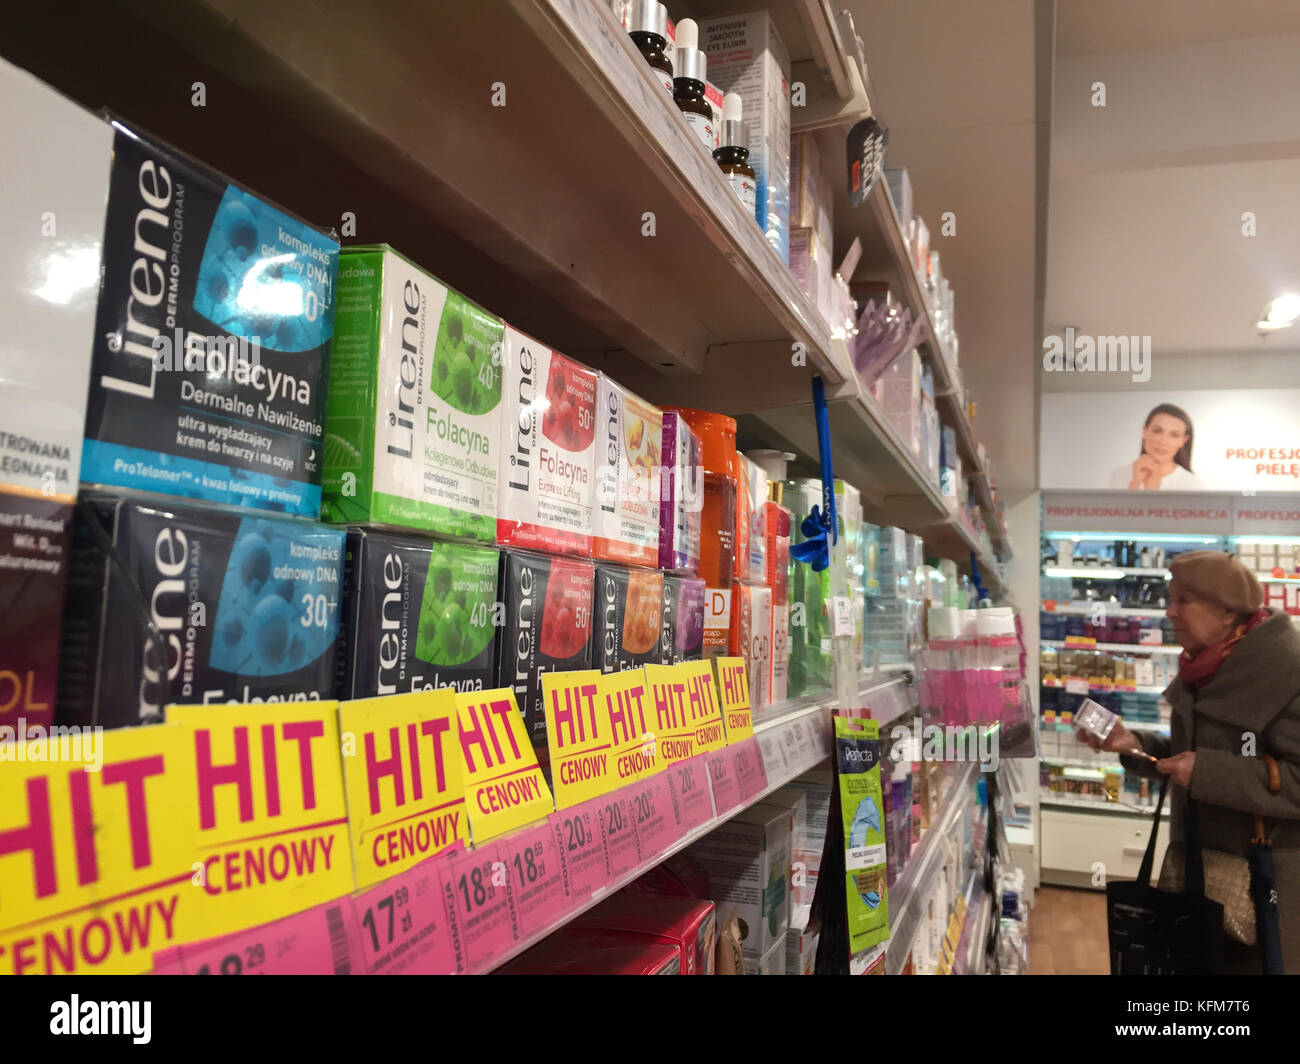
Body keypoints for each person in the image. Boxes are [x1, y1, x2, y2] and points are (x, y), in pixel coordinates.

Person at [1080, 550, 1300, 973]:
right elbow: (1200, 752)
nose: (1170, 611)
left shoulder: (1286, 673)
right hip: (1201, 885)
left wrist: (1208, 773)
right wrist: (1133, 745)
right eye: (1170, 597)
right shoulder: (1205, 665)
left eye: (1184, 600)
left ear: (1225, 610)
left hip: (1265, 895)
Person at [1107, 404, 1200, 490]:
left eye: (1174, 435)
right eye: (1157, 431)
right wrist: (1135, 483)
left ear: (1183, 441)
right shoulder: (1120, 475)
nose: (1163, 441)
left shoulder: (1193, 485)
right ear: (1144, 431)